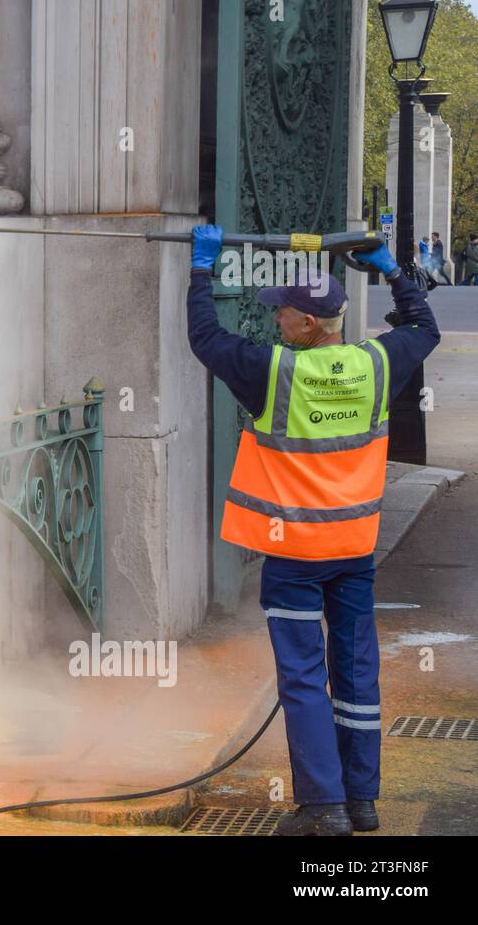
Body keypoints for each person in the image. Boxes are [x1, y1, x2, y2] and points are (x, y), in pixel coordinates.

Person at [186, 226, 439, 835]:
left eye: (283, 314)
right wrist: (395, 274)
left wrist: (202, 270)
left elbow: (205, 339)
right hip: (353, 549)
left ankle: (323, 809)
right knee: (355, 671)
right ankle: (362, 802)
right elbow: (424, 330)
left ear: (307, 324)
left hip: (293, 551)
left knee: (302, 675)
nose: (276, 322)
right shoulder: (378, 363)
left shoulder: (274, 373)